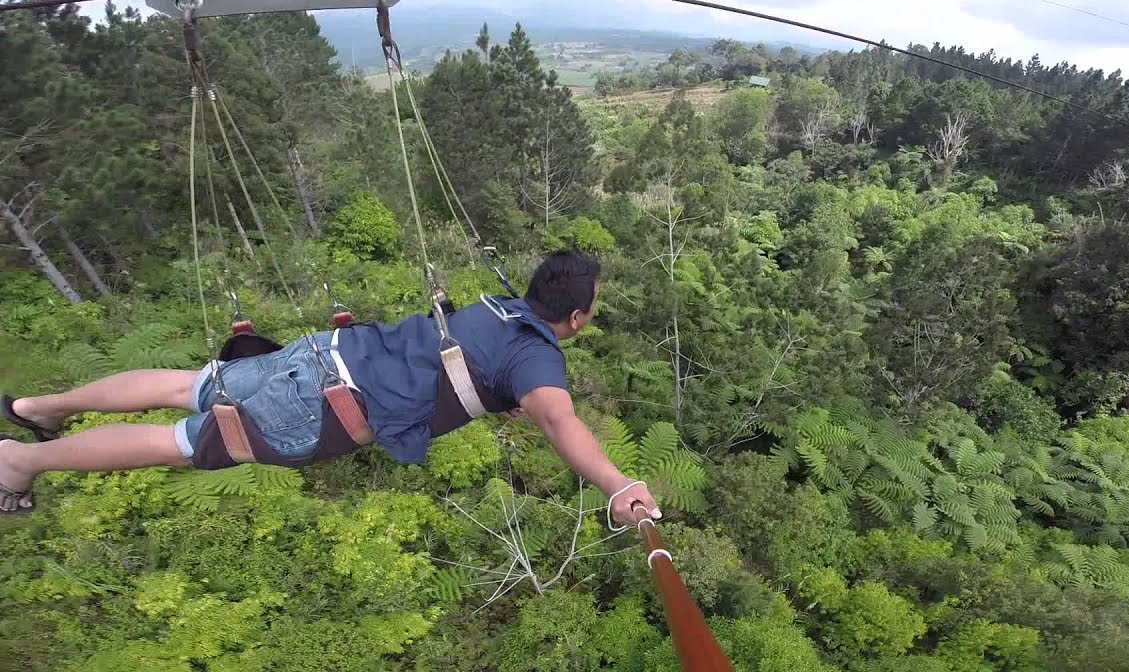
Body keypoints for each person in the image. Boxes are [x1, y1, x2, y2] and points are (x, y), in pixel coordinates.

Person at [0, 250, 660, 525]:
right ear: (577, 318)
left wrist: (503, 395)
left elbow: (478, 371)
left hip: (323, 352)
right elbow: (559, 420)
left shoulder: (498, 308)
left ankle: (38, 407)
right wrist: (616, 483)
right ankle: (22, 460)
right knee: (179, 441)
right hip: (324, 405)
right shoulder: (537, 358)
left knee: (188, 386)